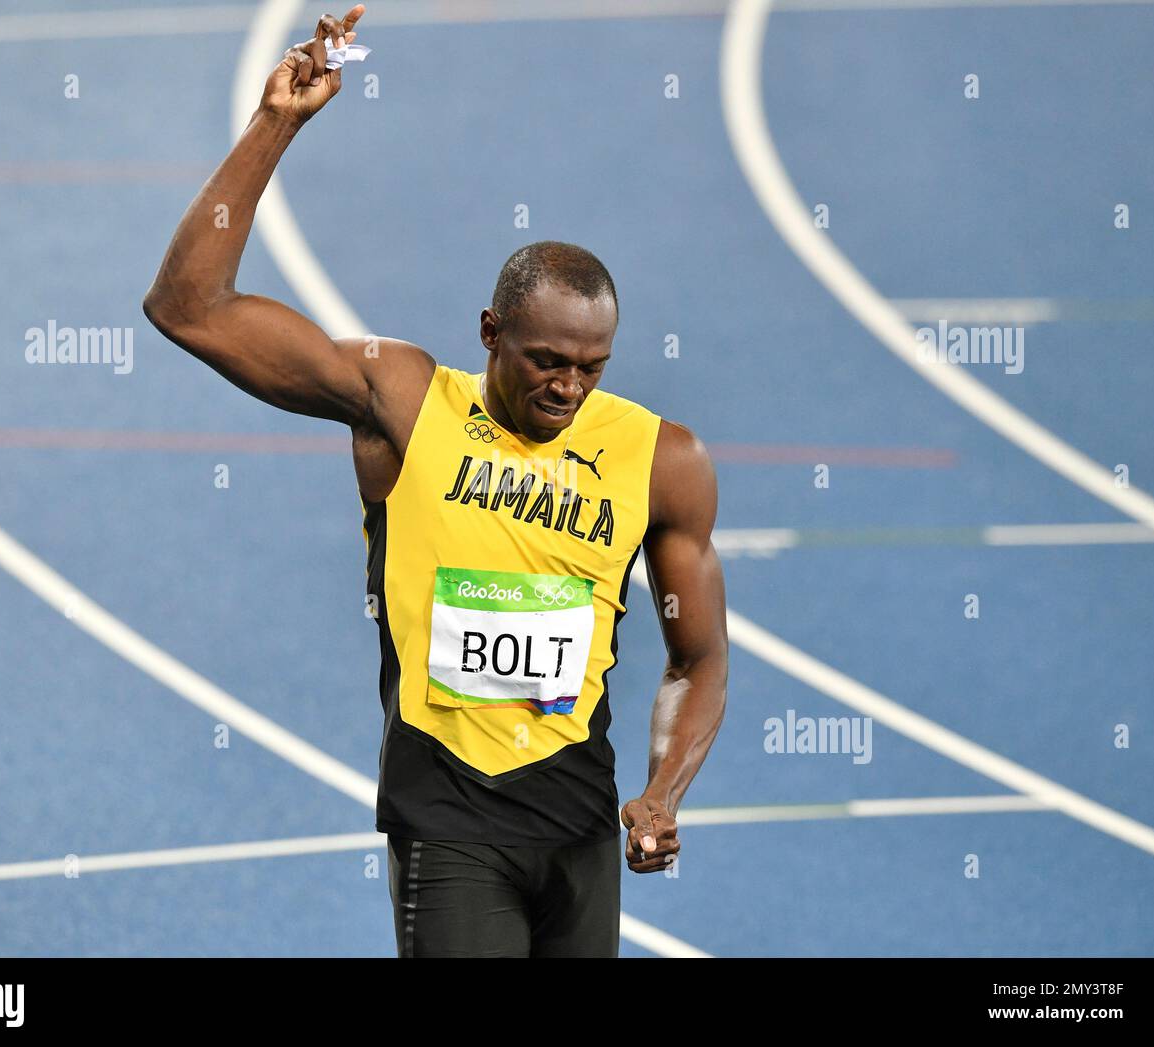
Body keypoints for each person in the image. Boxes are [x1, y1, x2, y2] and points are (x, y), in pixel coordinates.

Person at [143, 5, 728, 958]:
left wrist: (663, 792)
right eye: (545, 360)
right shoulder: (403, 399)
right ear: (490, 333)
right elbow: (190, 307)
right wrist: (276, 123)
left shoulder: (663, 459)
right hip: (449, 820)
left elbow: (697, 658)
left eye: (592, 367)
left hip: (580, 826)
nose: (568, 387)